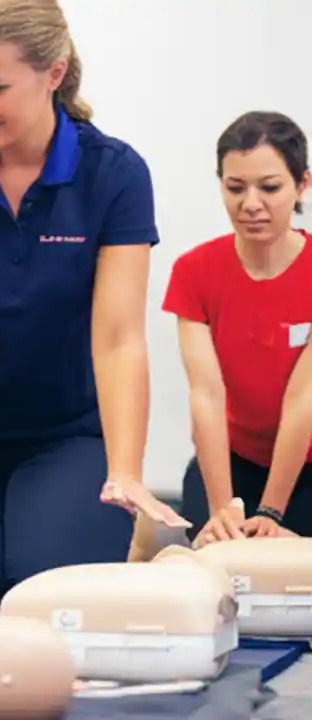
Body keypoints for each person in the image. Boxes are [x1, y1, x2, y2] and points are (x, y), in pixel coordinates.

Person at [0, 0, 186, 614]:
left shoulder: (115, 173)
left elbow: (120, 339)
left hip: (67, 434)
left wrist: (124, 470)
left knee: (47, 591)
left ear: (53, 73)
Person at [164, 110, 312, 544]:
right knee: (206, 553)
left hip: (304, 464)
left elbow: (303, 398)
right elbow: (206, 394)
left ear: (302, 184)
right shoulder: (195, 272)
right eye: (235, 188)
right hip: (231, 461)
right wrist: (223, 510)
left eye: (269, 188)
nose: (250, 204)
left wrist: (271, 510)